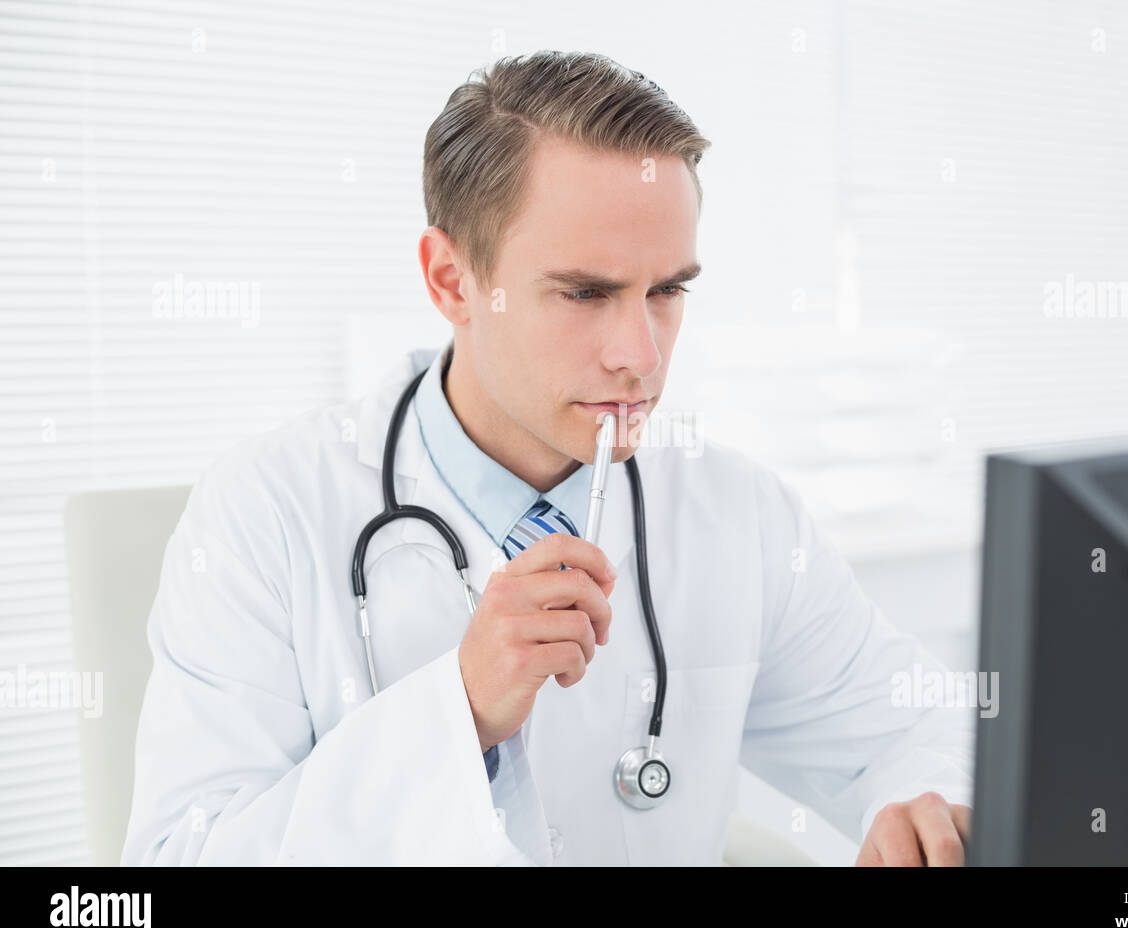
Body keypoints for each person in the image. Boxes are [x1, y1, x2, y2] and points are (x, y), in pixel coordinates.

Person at [121, 50, 974, 866]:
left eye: (668, 290)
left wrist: (926, 806)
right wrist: (457, 711)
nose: (639, 354)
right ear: (452, 280)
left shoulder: (738, 514)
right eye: (585, 293)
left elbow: (919, 726)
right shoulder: (262, 514)